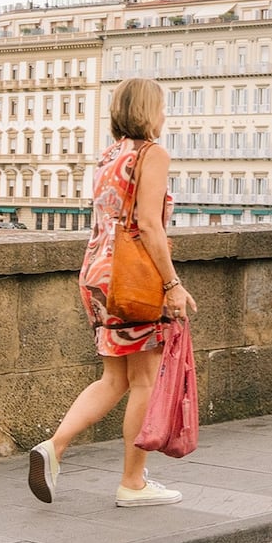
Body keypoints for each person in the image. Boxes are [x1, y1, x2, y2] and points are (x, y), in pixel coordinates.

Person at [28, 77, 196, 508]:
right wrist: (173, 284)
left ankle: (54, 447)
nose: (164, 115)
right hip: (133, 278)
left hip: (98, 273)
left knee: (114, 377)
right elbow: (149, 224)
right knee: (145, 380)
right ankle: (132, 482)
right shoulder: (151, 153)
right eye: (161, 107)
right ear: (147, 110)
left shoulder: (109, 155)